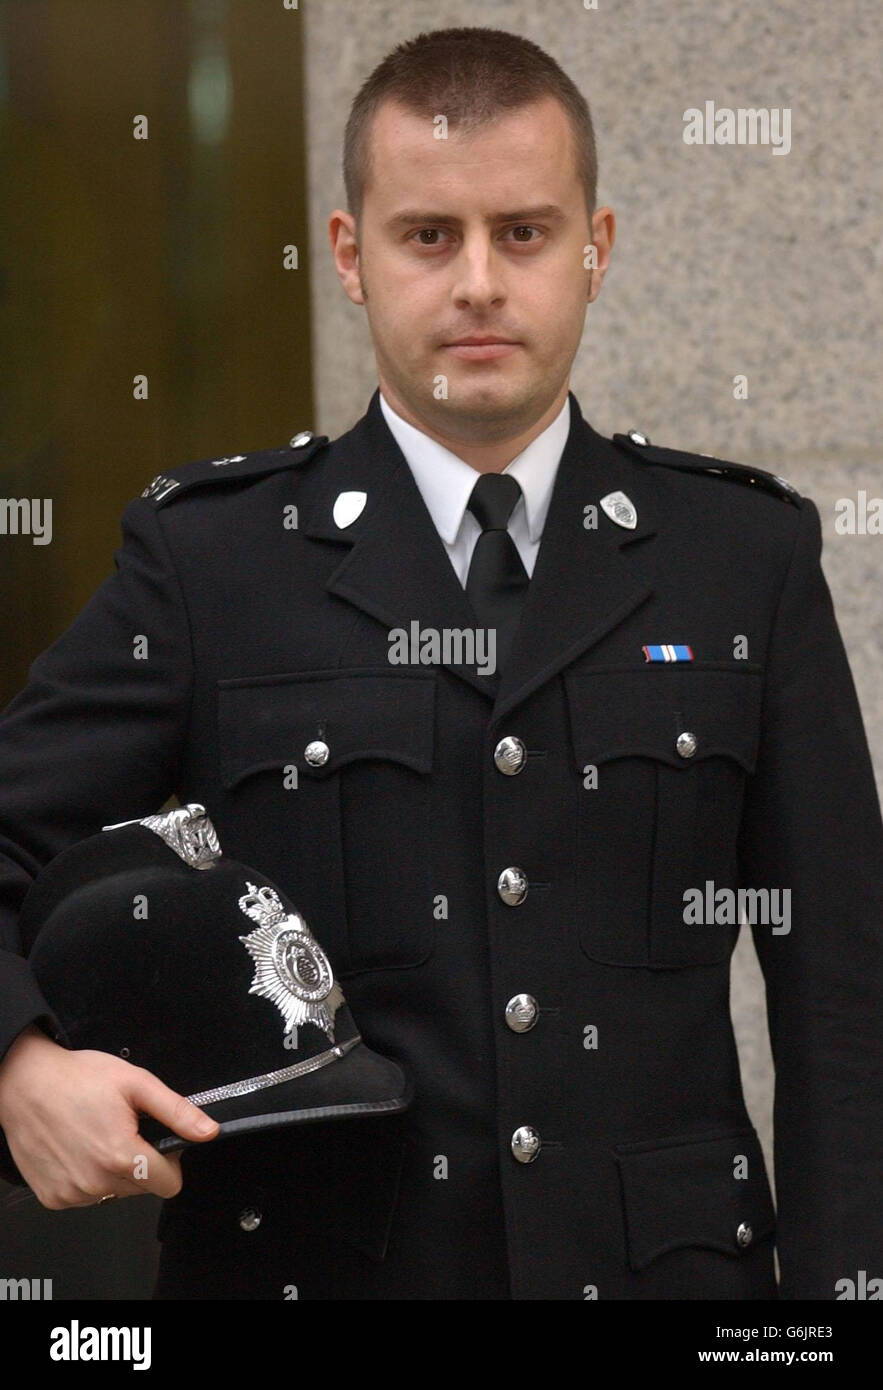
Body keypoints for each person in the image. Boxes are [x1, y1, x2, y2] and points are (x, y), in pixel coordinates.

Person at [0, 25, 881, 1301]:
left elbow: (842, 1000)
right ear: (350, 257)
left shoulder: (741, 558)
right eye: (429, 236)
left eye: (523, 232)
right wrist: (20, 1065)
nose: (478, 282)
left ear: (597, 248)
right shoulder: (215, 564)